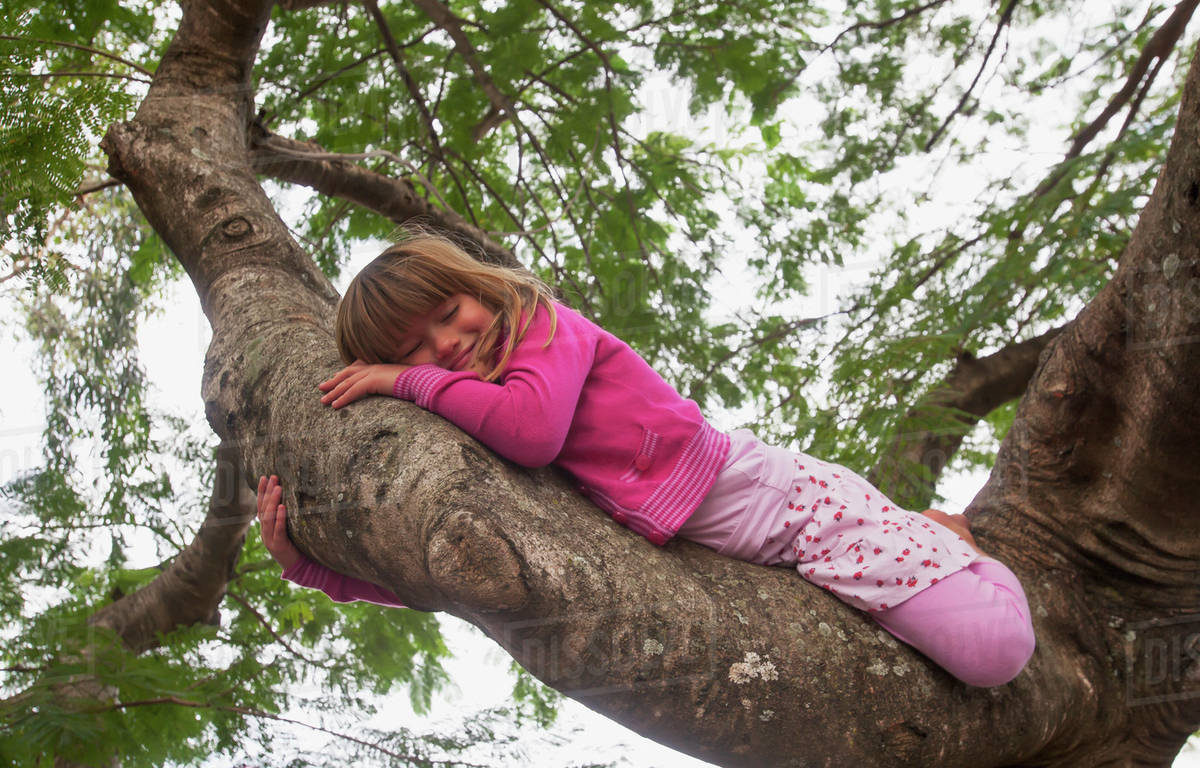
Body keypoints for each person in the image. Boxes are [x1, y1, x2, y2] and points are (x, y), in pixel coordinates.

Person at [256, 234, 1035, 687]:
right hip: (756, 553)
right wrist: (319, 573)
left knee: (994, 654)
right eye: (414, 349)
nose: (446, 347)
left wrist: (406, 380)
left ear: (479, 289)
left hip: (796, 508)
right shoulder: (477, 420)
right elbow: (462, 576)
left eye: (447, 314)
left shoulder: (546, 330)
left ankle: (958, 541)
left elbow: (532, 430)